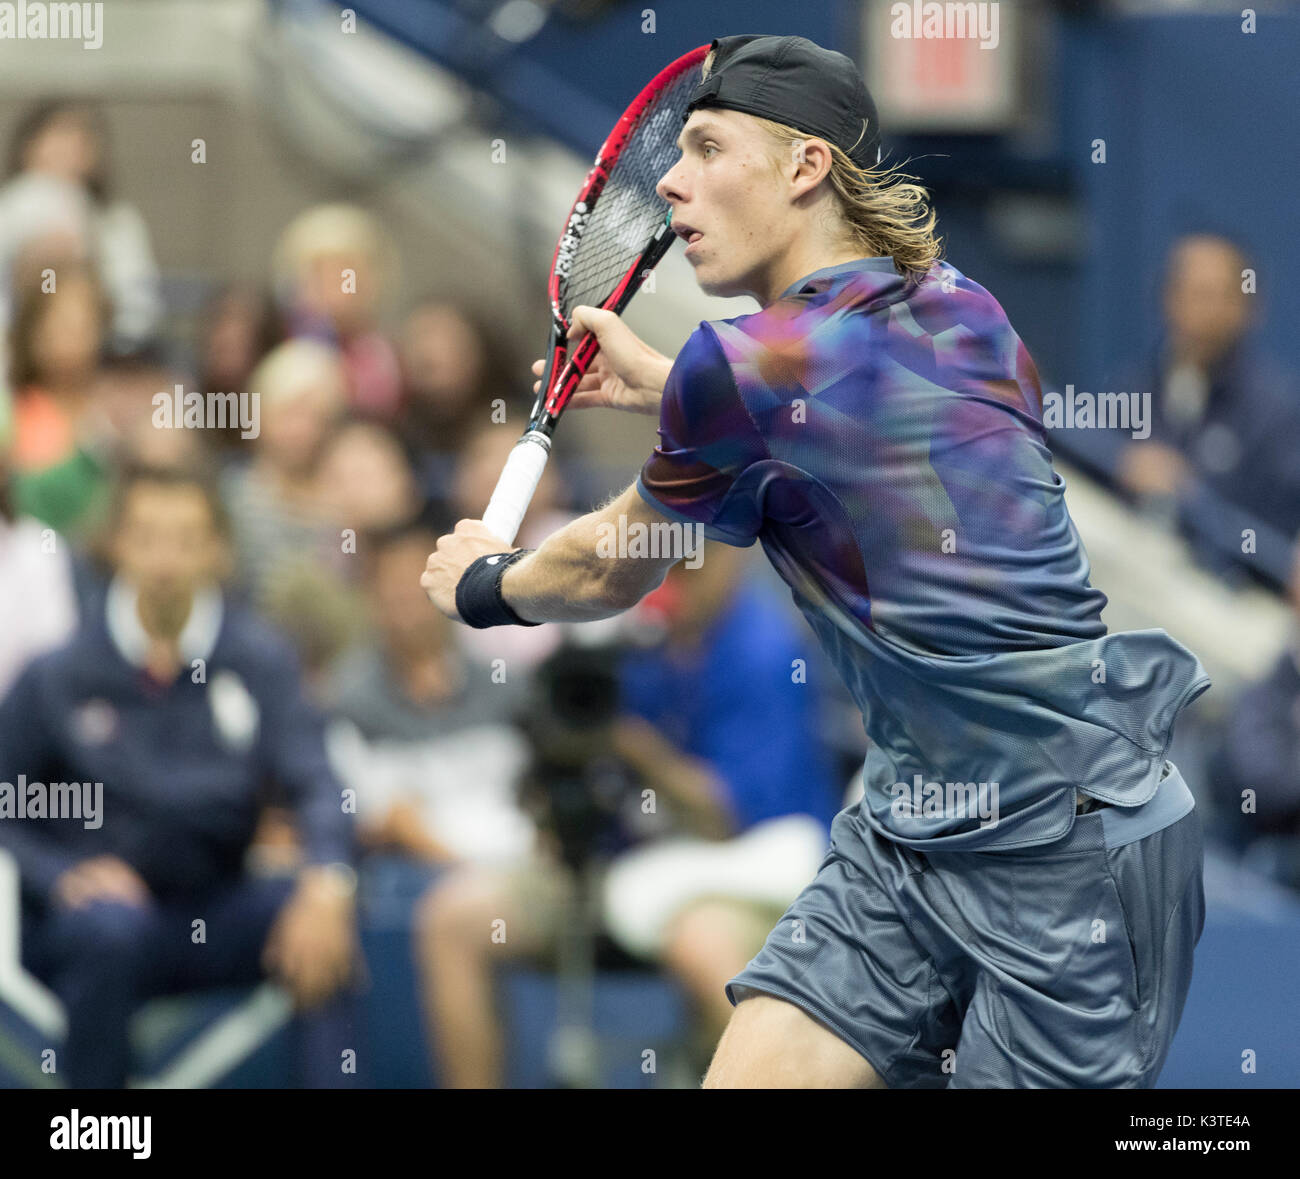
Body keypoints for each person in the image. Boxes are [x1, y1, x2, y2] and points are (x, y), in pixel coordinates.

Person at [422, 36, 1210, 1089]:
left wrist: (485, 580)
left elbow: (612, 568)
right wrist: (673, 386)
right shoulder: (962, 308)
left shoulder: (742, 377)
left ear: (804, 168)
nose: (666, 177)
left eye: (705, 147)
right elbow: (852, 400)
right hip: (904, 830)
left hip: (1064, 847)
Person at [0, 464, 360, 1088]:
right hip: (86, 924)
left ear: (218, 549)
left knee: (322, 926)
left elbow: (320, 782)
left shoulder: (260, 659)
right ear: (115, 543)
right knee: (110, 931)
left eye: (186, 537)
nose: (165, 558)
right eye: (146, 535)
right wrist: (58, 873)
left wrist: (327, 883)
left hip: (214, 909)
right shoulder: (56, 675)